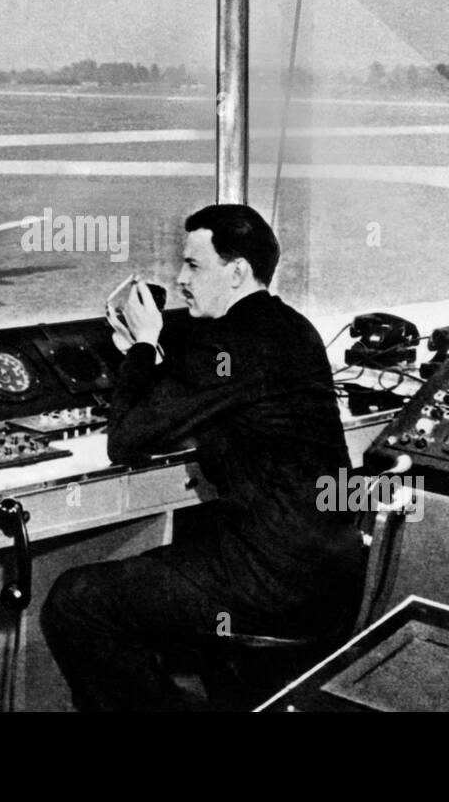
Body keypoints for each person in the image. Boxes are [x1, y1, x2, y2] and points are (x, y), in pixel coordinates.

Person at [40, 203, 364, 711]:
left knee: (78, 600)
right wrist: (154, 350)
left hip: (271, 580)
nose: (180, 278)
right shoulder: (289, 326)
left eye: (193, 265)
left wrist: (142, 349)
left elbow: (124, 440)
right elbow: (205, 377)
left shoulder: (233, 344)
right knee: (148, 581)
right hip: (327, 572)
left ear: (236, 272)